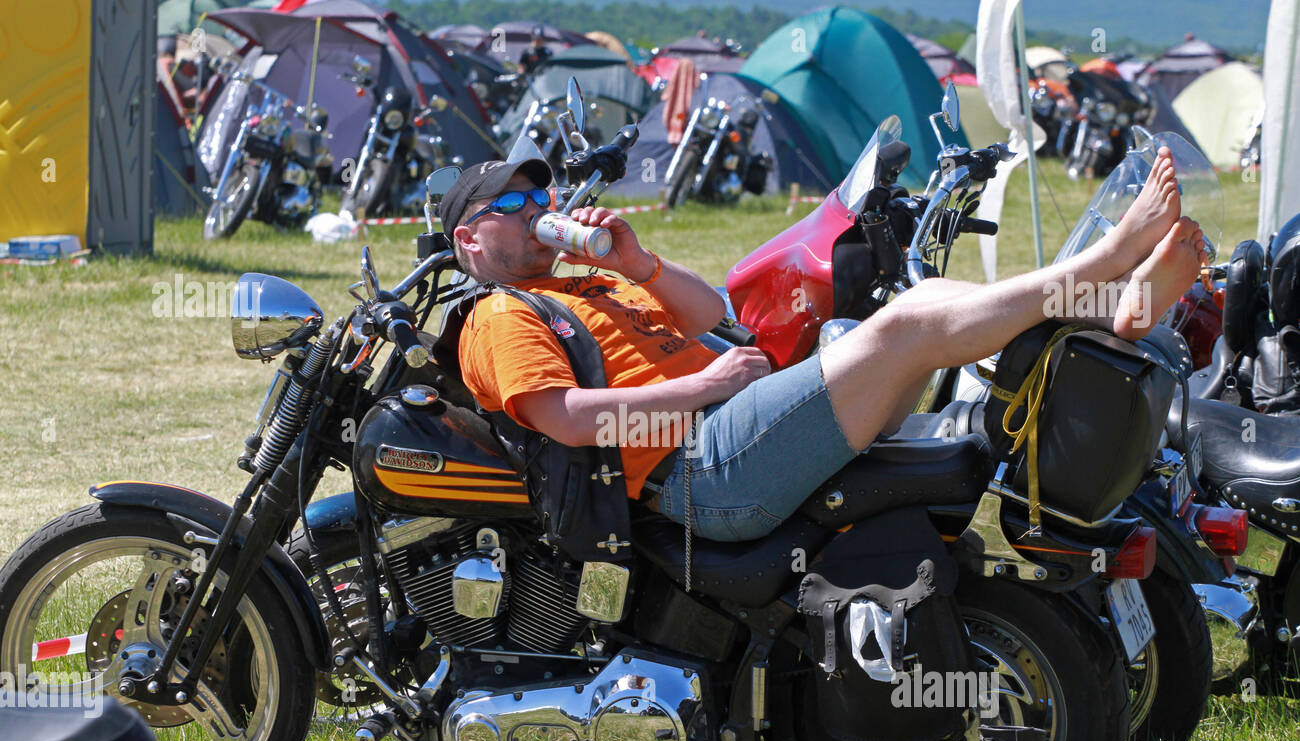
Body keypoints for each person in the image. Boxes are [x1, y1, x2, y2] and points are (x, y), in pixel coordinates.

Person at [439, 151, 1203, 542]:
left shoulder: (591, 284)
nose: (541, 210)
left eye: (543, 198)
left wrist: (634, 263)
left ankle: (1104, 303)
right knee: (907, 329)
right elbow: (570, 420)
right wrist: (706, 389)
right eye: (516, 204)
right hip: (700, 467)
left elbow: (713, 310)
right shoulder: (498, 315)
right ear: (471, 236)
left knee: (923, 301)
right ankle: (1102, 266)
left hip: (738, 424)